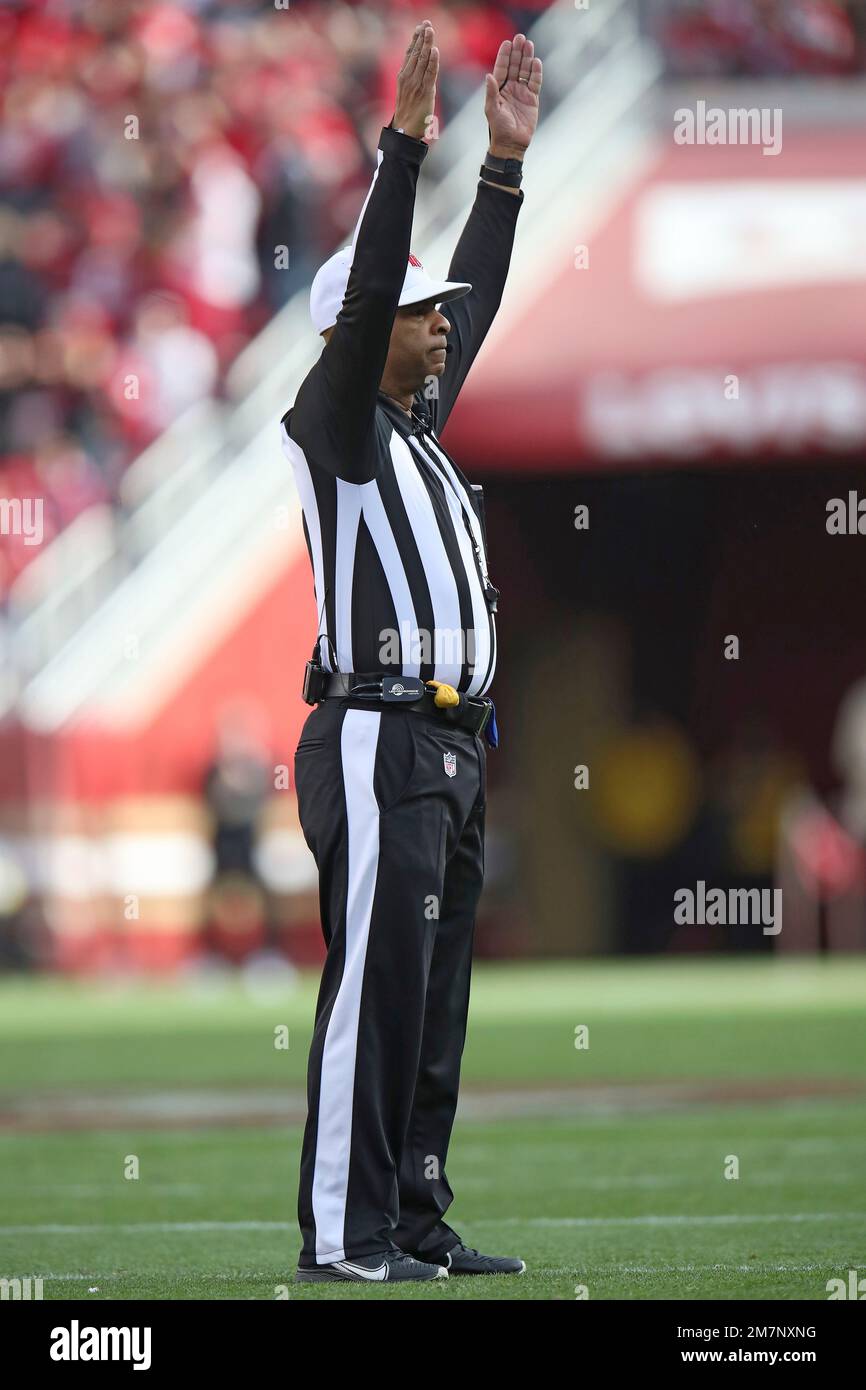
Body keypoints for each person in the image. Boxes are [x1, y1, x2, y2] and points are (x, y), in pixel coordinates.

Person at [280, 19, 541, 1284]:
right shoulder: (337, 423)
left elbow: (470, 298)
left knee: (433, 1001)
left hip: (447, 740)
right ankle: (345, 1231)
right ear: (358, 327)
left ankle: (414, 1218)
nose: (441, 327)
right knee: (375, 991)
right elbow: (382, 278)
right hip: (378, 731)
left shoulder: (417, 425)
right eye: (416, 312)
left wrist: (500, 170)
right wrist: (401, 150)